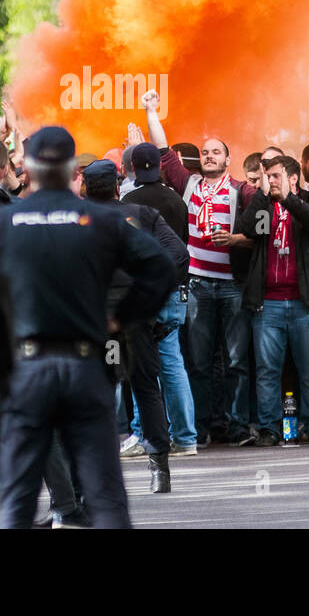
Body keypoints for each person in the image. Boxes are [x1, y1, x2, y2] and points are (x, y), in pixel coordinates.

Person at [0, 127, 177, 528]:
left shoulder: (3, 222)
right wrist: (123, 316)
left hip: (25, 369)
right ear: (73, 170)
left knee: (16, 497)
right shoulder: (100, 220)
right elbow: (161, 265)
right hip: (85, 365)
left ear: (28, 169)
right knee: (105, 493)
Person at [141, 90, 258, 447]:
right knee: (200, 361)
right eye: (205, 152)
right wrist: (151, 112)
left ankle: (239, 427)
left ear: (228, 158)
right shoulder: (189, 184)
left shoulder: (243, 191)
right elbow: (163, 154)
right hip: (198, 285)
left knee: (237, 361)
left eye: (216, 152)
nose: (209, 156)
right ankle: (204, 426)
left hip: (232, 285)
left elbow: (259, 233)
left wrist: (237, 239)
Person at [84, 158, 188, 490]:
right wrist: (151, 295)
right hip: (136, 316)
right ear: (117, 186)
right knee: (146, 387)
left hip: (93, 318)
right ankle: (159, 468)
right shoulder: (141, 216)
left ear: (85, 188)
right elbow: (179, 255)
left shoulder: (76, 219)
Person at [235, 154, 309, 445]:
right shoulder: (266, 204)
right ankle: (269, 428)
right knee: (267, 370)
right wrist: (264, 197)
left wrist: (289, 199)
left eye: (275, 176)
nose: (270, 181)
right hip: (269, 302)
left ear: (292, 178)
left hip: (305, 302)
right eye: (268, 176)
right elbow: (249, 228)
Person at [121, 141, 196, 455]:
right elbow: (184, 244)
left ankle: (142, 433)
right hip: (175, 290)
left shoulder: (129, 202)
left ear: (132, 169)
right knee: (172, 363)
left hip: (143, 292)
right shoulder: (177, 201)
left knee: (140, 362)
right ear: (162, 166)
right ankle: (186, 438)